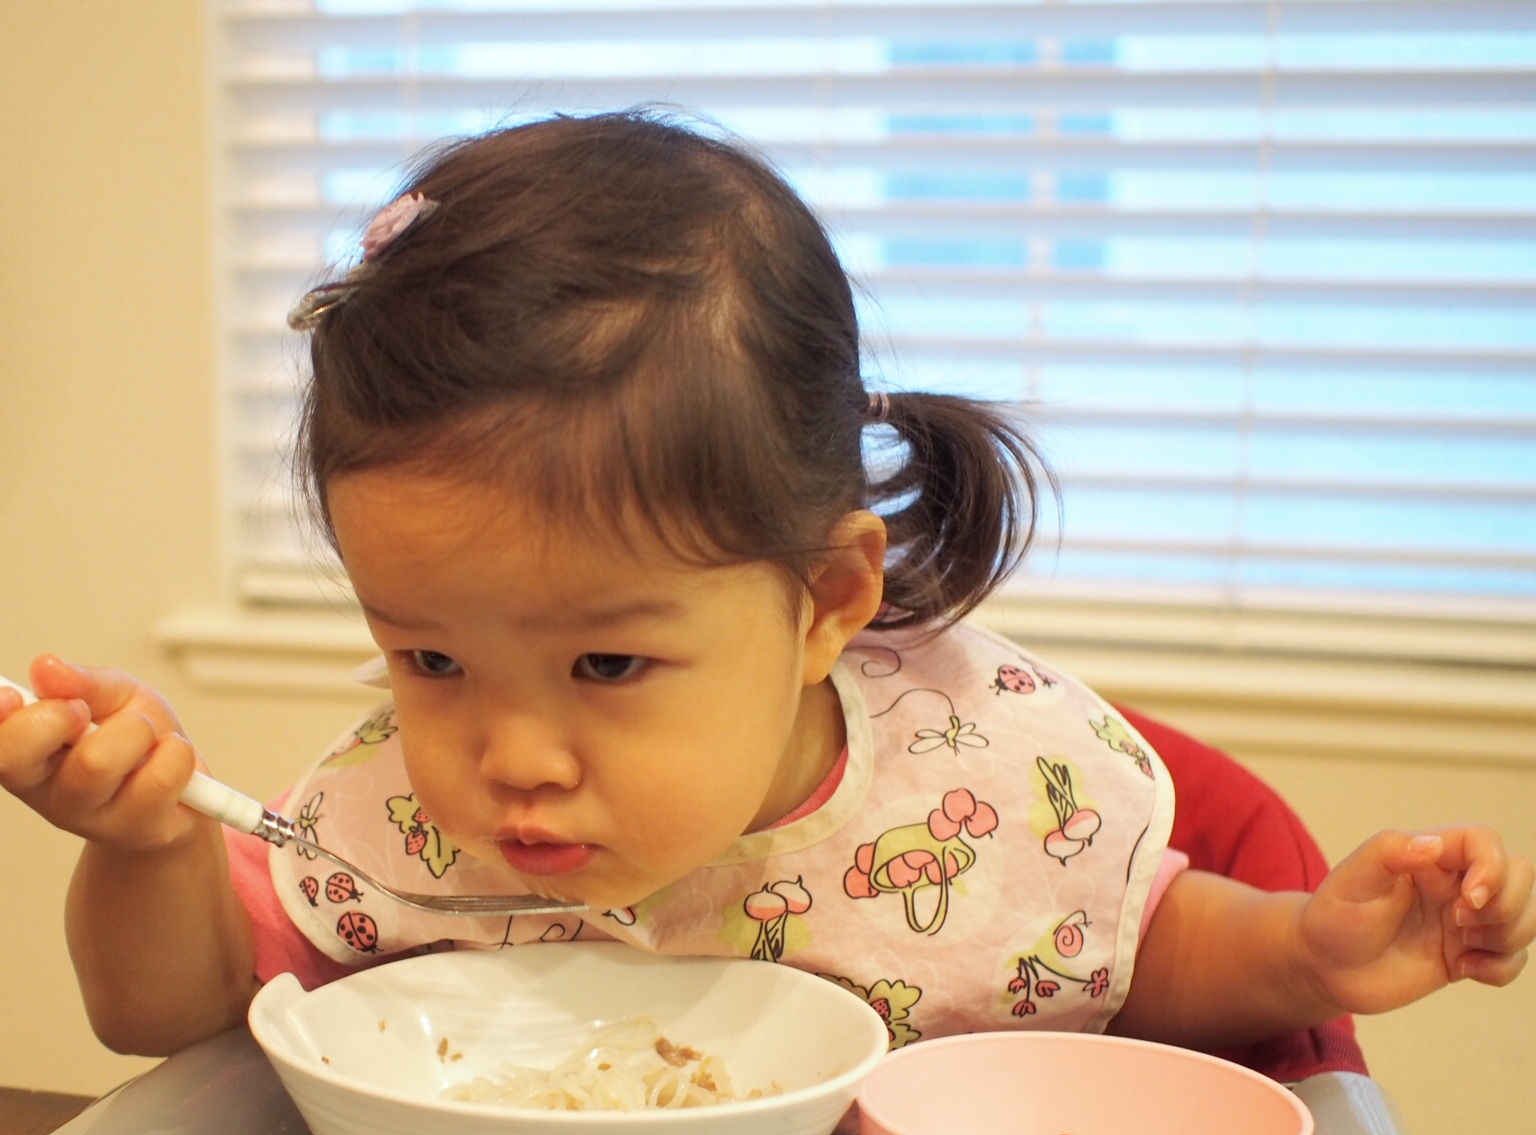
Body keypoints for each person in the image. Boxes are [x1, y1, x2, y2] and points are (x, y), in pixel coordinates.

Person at [2, 112, 1532, 1069]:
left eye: (606, 666)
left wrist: (1311, 957)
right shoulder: (397, 830)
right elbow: (168, 1023)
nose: (504, 755)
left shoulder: (984, 790)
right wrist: (143, 845)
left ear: (825, 599)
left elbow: (1139, 955)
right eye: (429, 657)